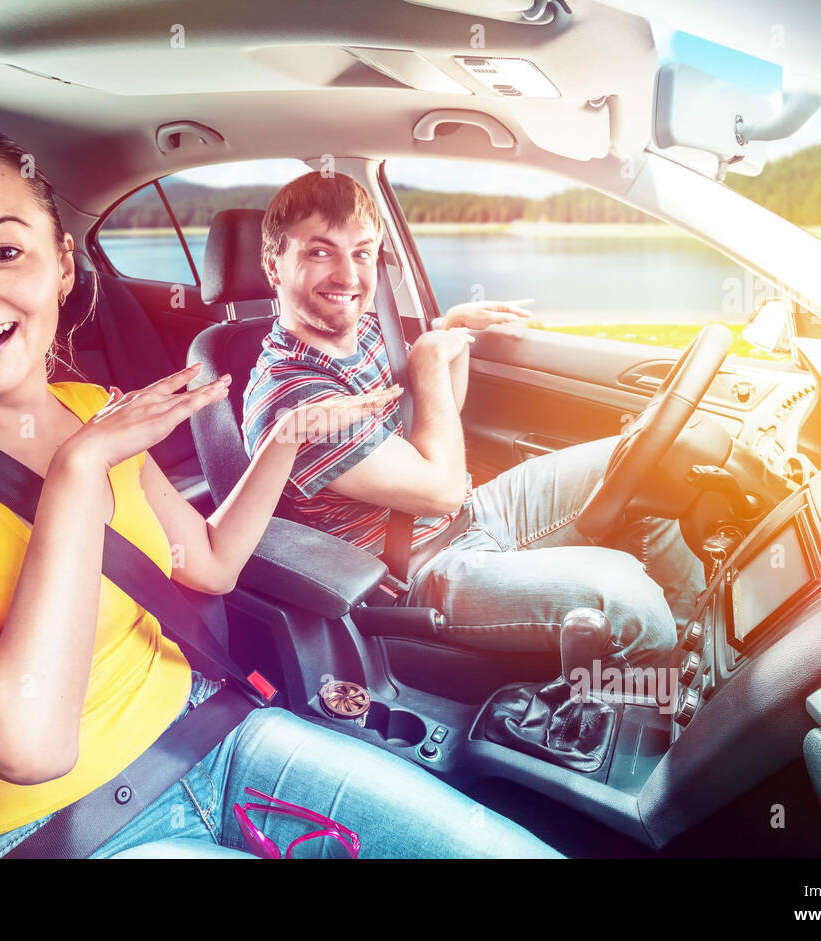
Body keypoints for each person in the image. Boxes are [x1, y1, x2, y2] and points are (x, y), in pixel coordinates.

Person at [0, 122, 562, 859]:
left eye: (1, 250)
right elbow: (26, 745)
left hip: (220, 737)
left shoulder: (91, 409)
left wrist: (282, 441)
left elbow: (206, 565)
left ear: (63, 263)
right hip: (61, 828)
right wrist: (75, 474)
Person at [242, 172, 707, 674]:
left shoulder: (365, 331)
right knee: (629, 601)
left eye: (361, 252)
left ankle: (692, 653)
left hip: (474, 511)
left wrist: (449, 334)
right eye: (320, 252)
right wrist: (425, 359)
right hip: (419, 568)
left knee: (648, 467)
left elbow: (440, 426)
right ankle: (654, 713)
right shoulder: (292, 398)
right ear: (274, 265)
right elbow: (438, 488)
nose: (349, 276)